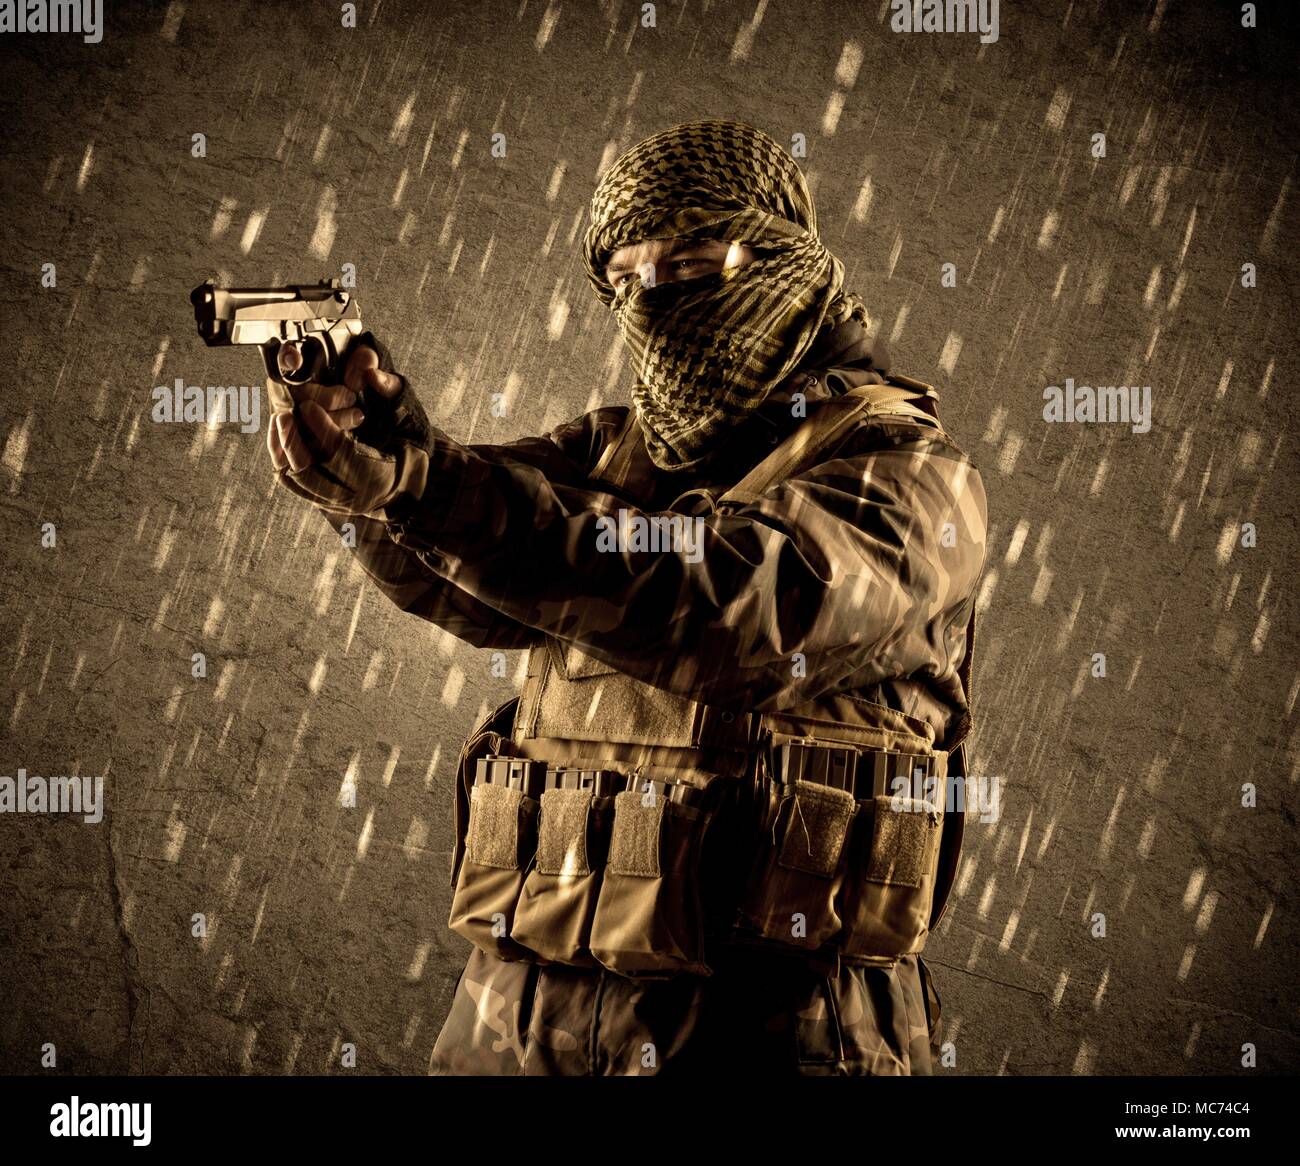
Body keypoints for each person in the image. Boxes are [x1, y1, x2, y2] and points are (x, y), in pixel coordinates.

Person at [265, 119, 988, 1075]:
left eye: (691, 268)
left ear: (781, 256)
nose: (654, 303)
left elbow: (735, 611)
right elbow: (469, 588)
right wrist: (373, 482)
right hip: (523, 1014)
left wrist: (431, 488)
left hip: (771, 1031)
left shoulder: (907, 477)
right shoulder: (609, 453)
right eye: (625, 279)